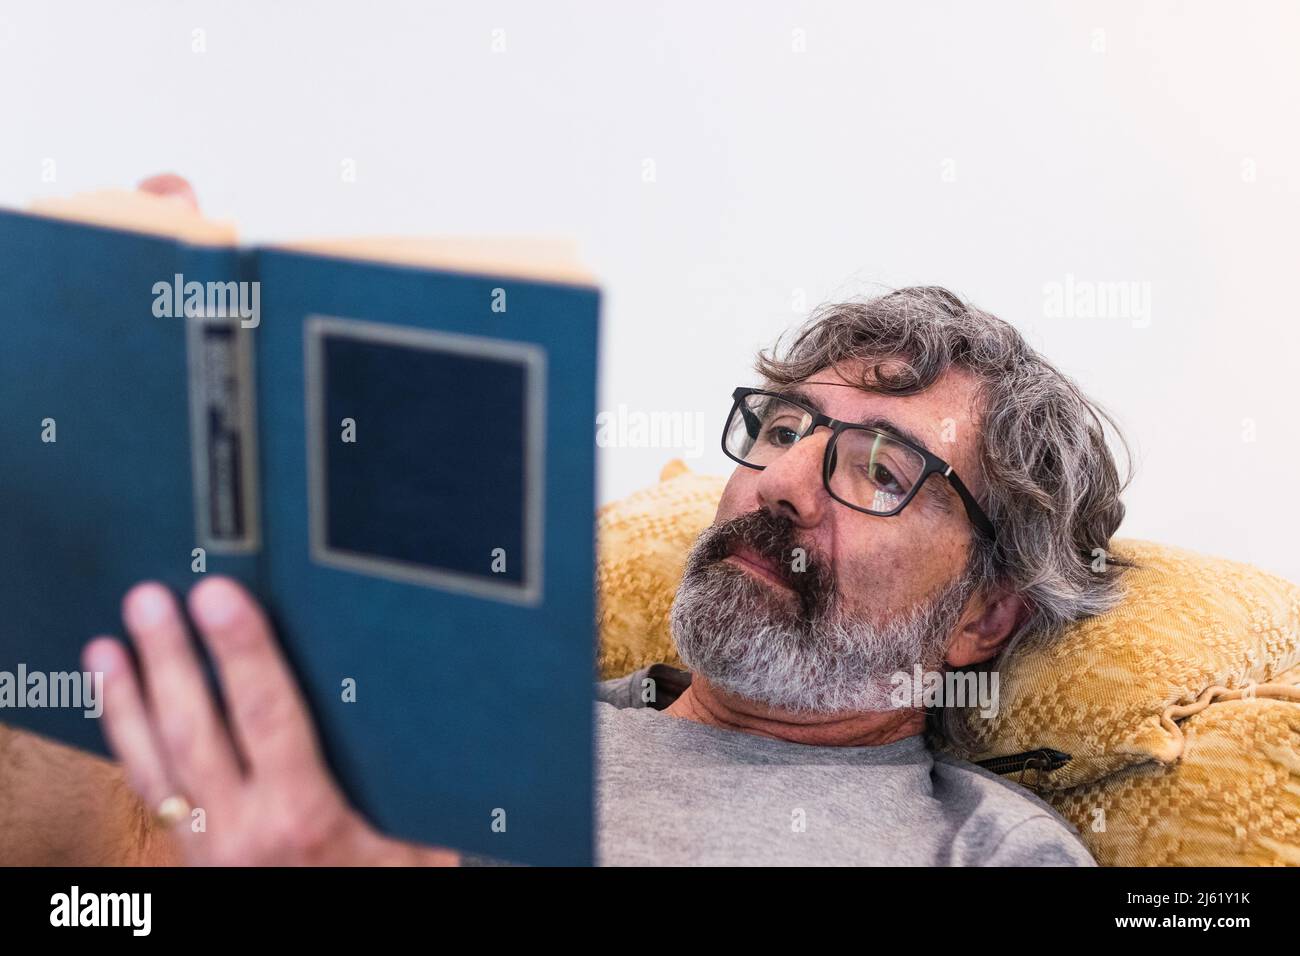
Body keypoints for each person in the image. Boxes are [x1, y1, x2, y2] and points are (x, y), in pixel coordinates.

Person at [4, 177, 1126, 865]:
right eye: (783, 425)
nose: (779, 480)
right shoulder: (479, 721)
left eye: (877, 467)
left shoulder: (983, 848)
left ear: (984, 612)